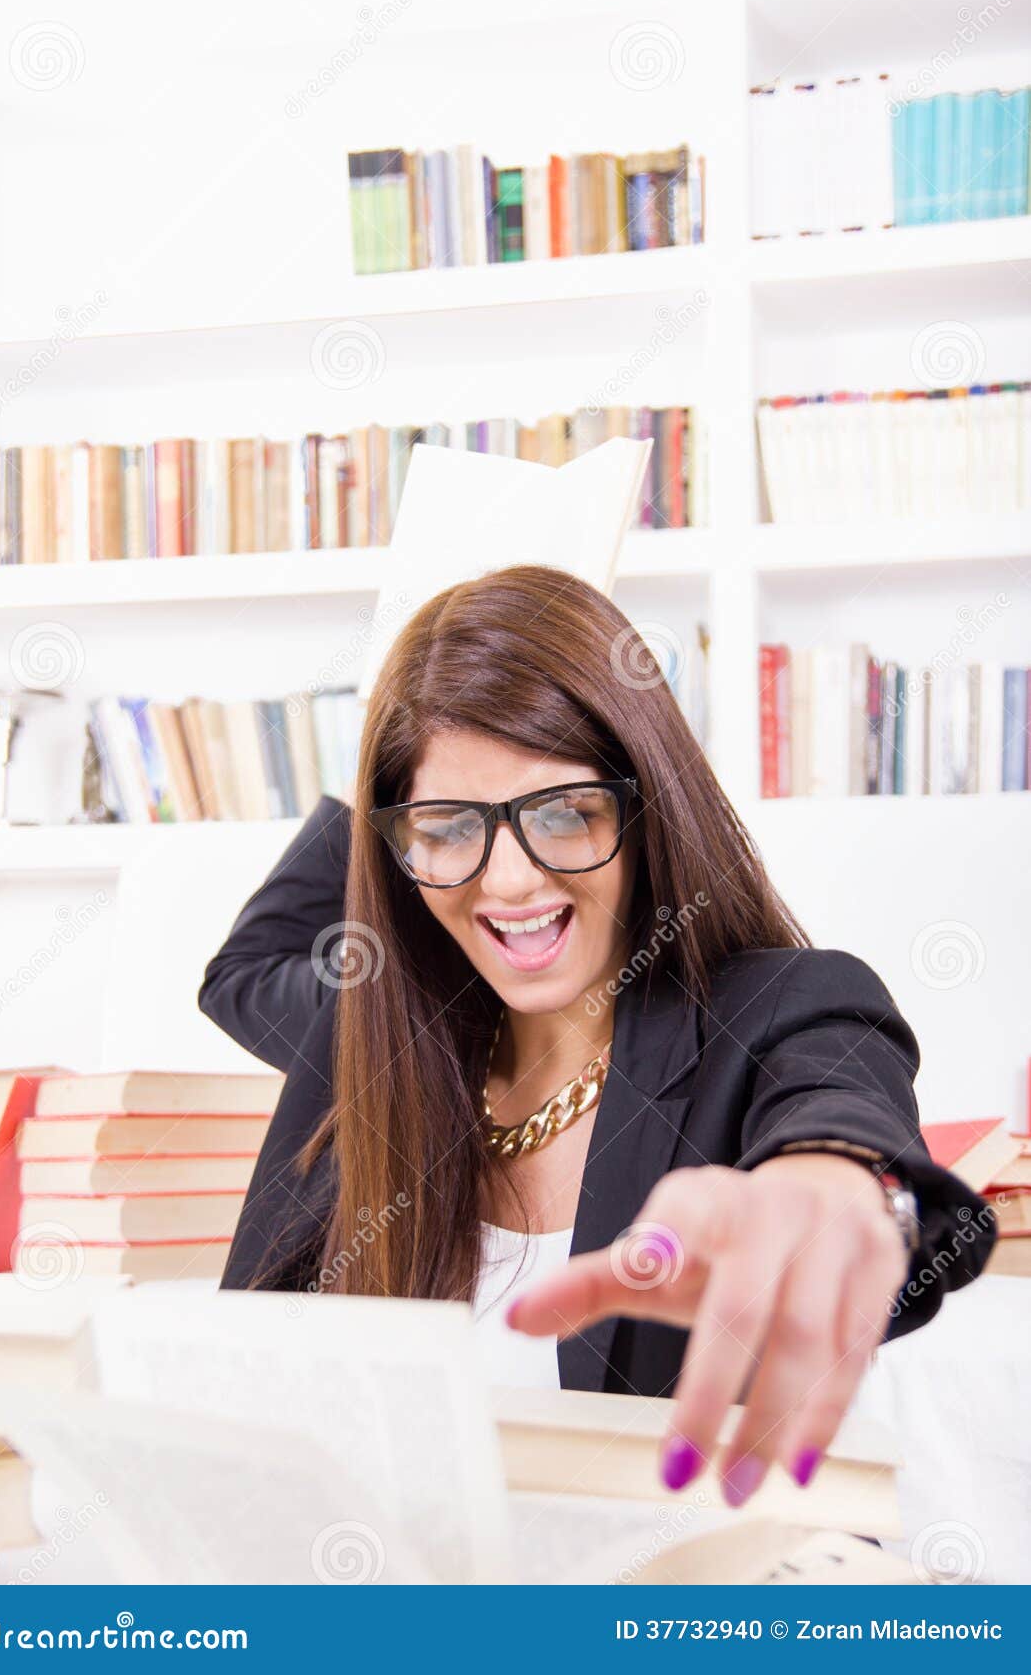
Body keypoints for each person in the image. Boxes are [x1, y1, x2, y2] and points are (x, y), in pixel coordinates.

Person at [199, 563, 994, 1507]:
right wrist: (398, 713)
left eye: (564, 813)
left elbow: (839, 1109)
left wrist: (835, 1188)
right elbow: (241, 969)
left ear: (646, 804)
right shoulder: (369, 1035)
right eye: (449, 829)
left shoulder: (781, 1007)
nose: (508, 883)